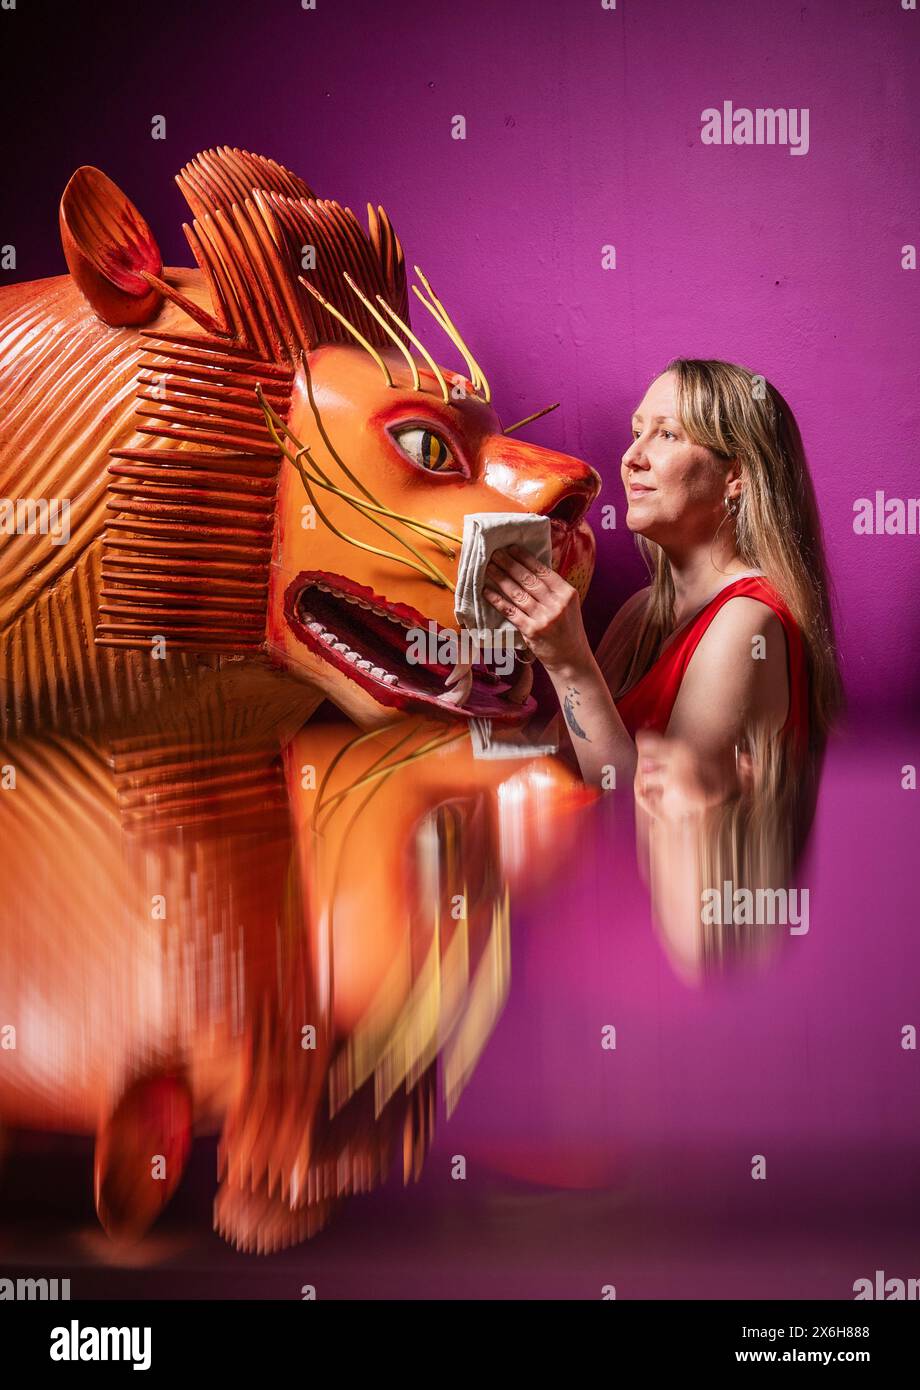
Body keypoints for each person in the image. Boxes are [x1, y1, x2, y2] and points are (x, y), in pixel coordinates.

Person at [483, 358, 842, 792]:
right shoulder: (640, 613)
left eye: (667, 434)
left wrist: (570, 665)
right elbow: (561, 774)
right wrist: (504, 701)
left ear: (736, 475)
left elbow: (656, 826)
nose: (631, 457)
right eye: (637, 433)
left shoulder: (748, 623)